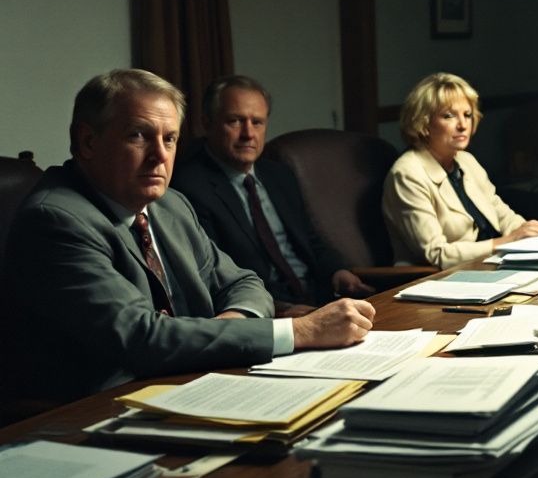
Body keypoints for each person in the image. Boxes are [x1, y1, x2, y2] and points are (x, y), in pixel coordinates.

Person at [3, 70, 375, 401]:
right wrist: (299, 331)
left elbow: (245, 282)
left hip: (189, 385)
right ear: (87, 142)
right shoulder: (56, 219)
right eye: (138, 136)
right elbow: (142, 340)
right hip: (90, 414)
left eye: (170, 139)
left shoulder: (170, 205)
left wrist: (232, 326)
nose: (159, 156)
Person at [173, 75, 374, 318]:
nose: (248, 134)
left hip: (319, 300)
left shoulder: (278, 173)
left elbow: (310, 239)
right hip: (264, 311)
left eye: (257, 122)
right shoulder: (189, 186)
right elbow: (213, 276)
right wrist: (279, 309)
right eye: (235, 121)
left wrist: (337, 272)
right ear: (207, 123)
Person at [382, 72, 538, 268]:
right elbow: (435, 254)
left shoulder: (466, 160)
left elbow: (501, 214)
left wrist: (529, 231)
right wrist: (507, 241)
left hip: (493, 263)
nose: (463, 125)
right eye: (449, 116)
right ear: (424, 123)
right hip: (443, 278)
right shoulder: (407, 173)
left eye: (467, 115)